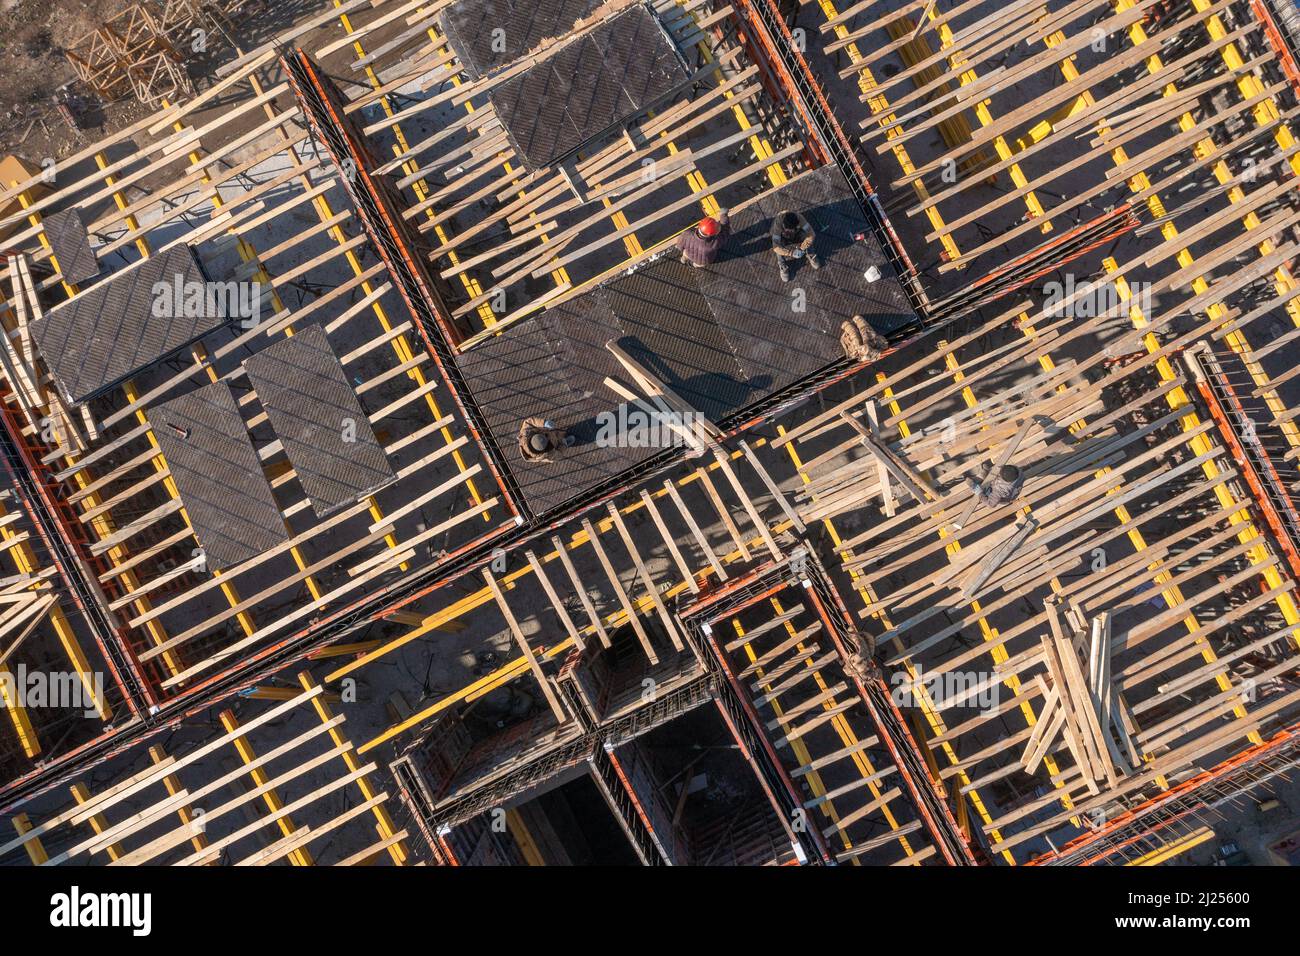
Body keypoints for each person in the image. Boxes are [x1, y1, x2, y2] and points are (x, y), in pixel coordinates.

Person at [771, 209, 821, 282]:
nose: (790, 231)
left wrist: (801, 248)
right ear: (784, 226)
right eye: (789, 230)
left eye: (792, 230)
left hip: (796, 233)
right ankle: (782, 264)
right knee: (779, 244)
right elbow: (776, 247)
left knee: (806, 235)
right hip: (783, 236)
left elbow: (811, 234)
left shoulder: (800, 218)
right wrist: (791, 253)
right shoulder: (777, 224)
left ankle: (810, 253)